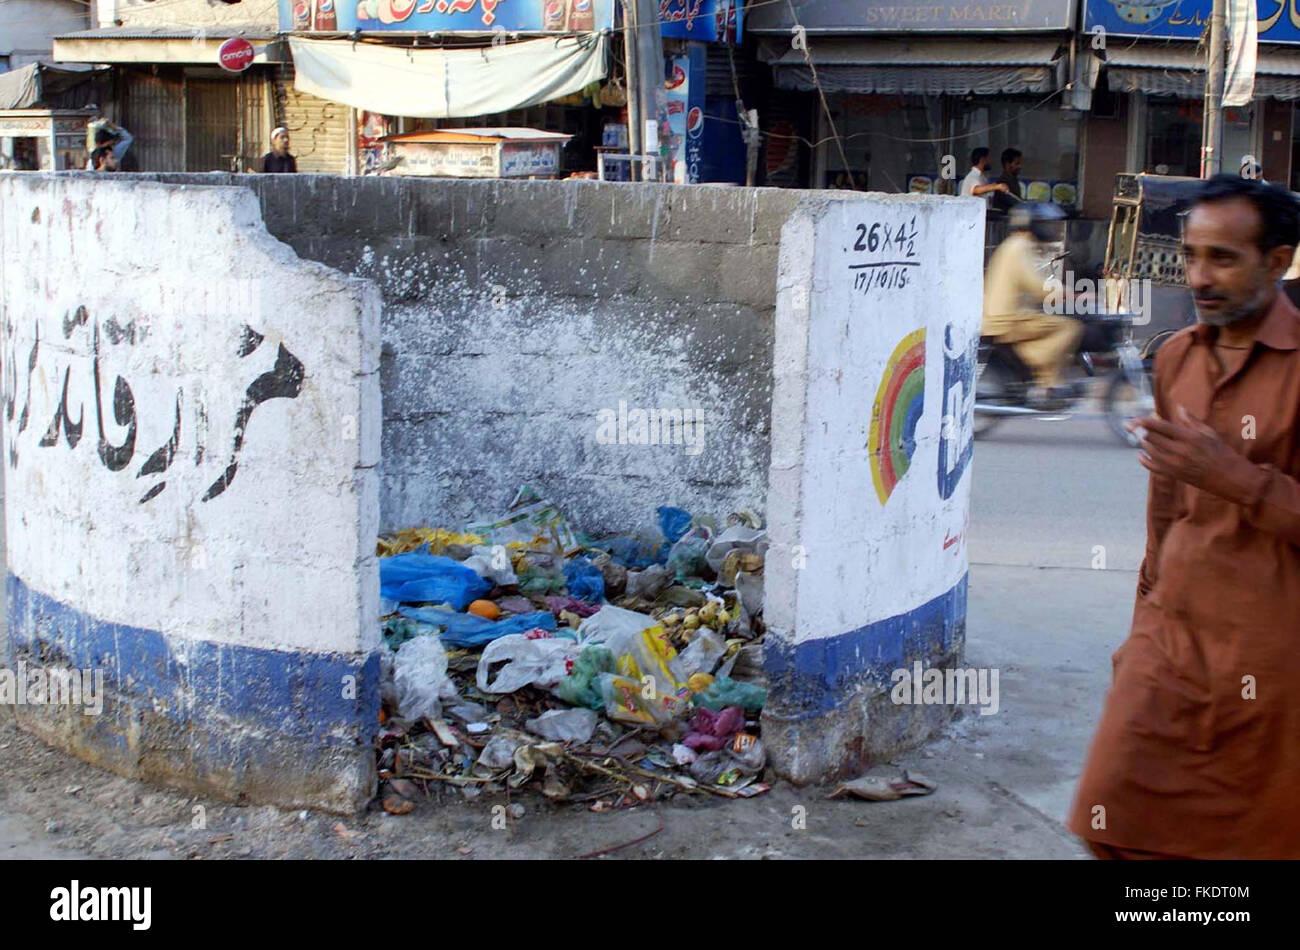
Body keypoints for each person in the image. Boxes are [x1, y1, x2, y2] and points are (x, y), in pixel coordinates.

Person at [1067, 175, 1300, 860]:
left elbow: (1214, 482)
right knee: (1108, 819)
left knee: (1252, 842)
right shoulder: (1175, 358)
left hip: (1273, 656)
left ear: (1278, 261)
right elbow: (1165, 508)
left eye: (1223, 258)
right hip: (1171, 641)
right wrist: (1140, 626)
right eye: (1192, 255)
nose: (1199, 276)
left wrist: (1236, 478)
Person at [981, 202, 1083, 406]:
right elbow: (1037, 286)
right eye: (1046, 224)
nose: (1051, 229)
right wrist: (1072, 294)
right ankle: (1046, 381)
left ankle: (1039, 377)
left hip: (1007, 316)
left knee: (1051, 324)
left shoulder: (1018, 245)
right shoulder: (1019, 247)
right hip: (1007, 320)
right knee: (1070, 328)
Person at [990, 147, 1023, 213]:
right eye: (1017, 164)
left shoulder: (1013, 180)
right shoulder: (1003, 184)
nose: (1020, 166)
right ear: (1007, 165)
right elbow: (1015, 203)